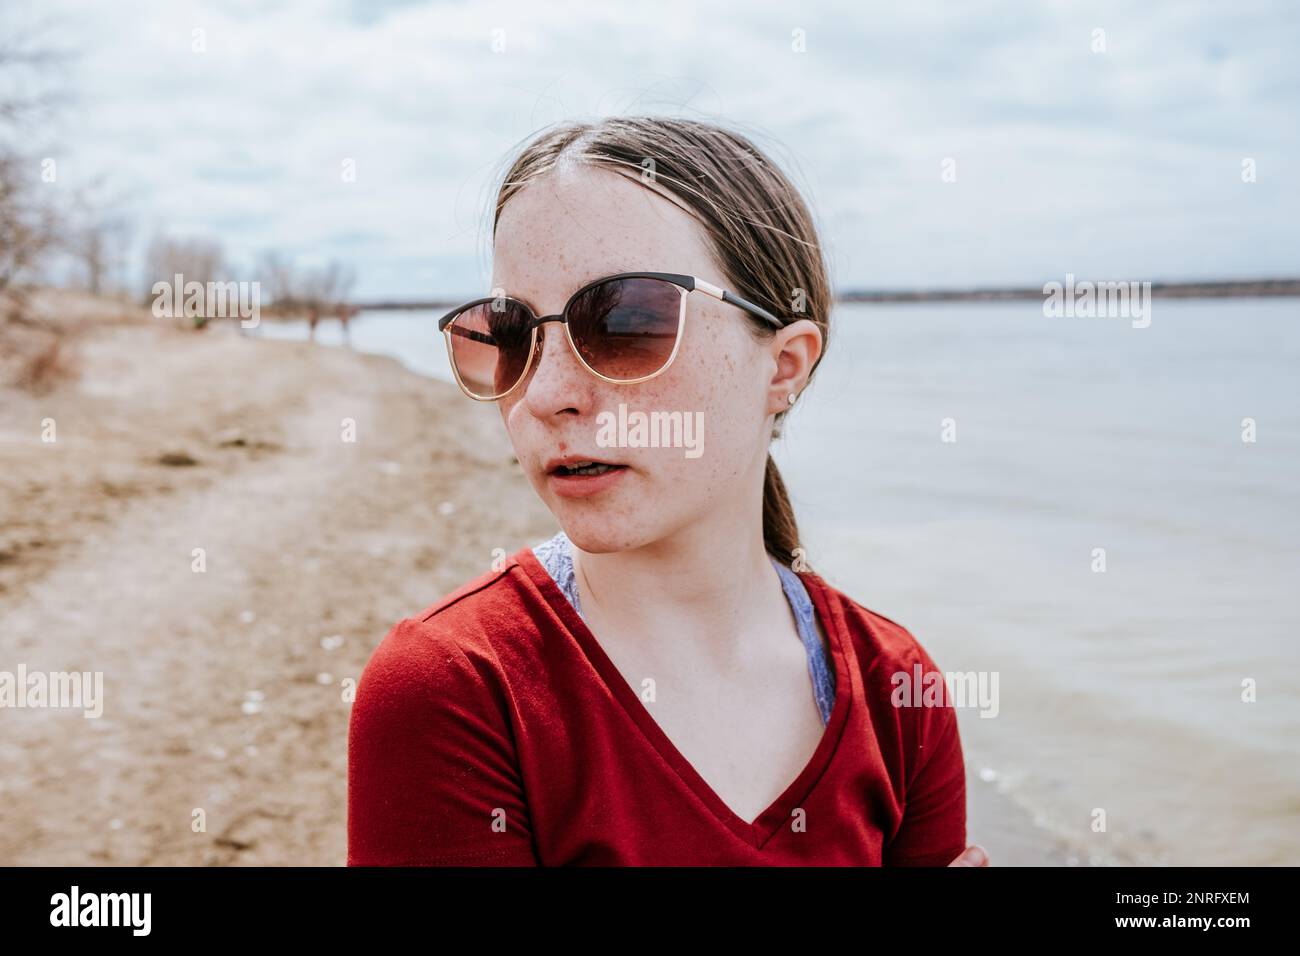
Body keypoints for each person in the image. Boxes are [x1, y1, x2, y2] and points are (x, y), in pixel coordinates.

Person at [347, 115, 989, 867]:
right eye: (514, 335)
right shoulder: (456, 689)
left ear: (783, 367)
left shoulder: (896, 691)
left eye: (623, 321)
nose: (546, 393)